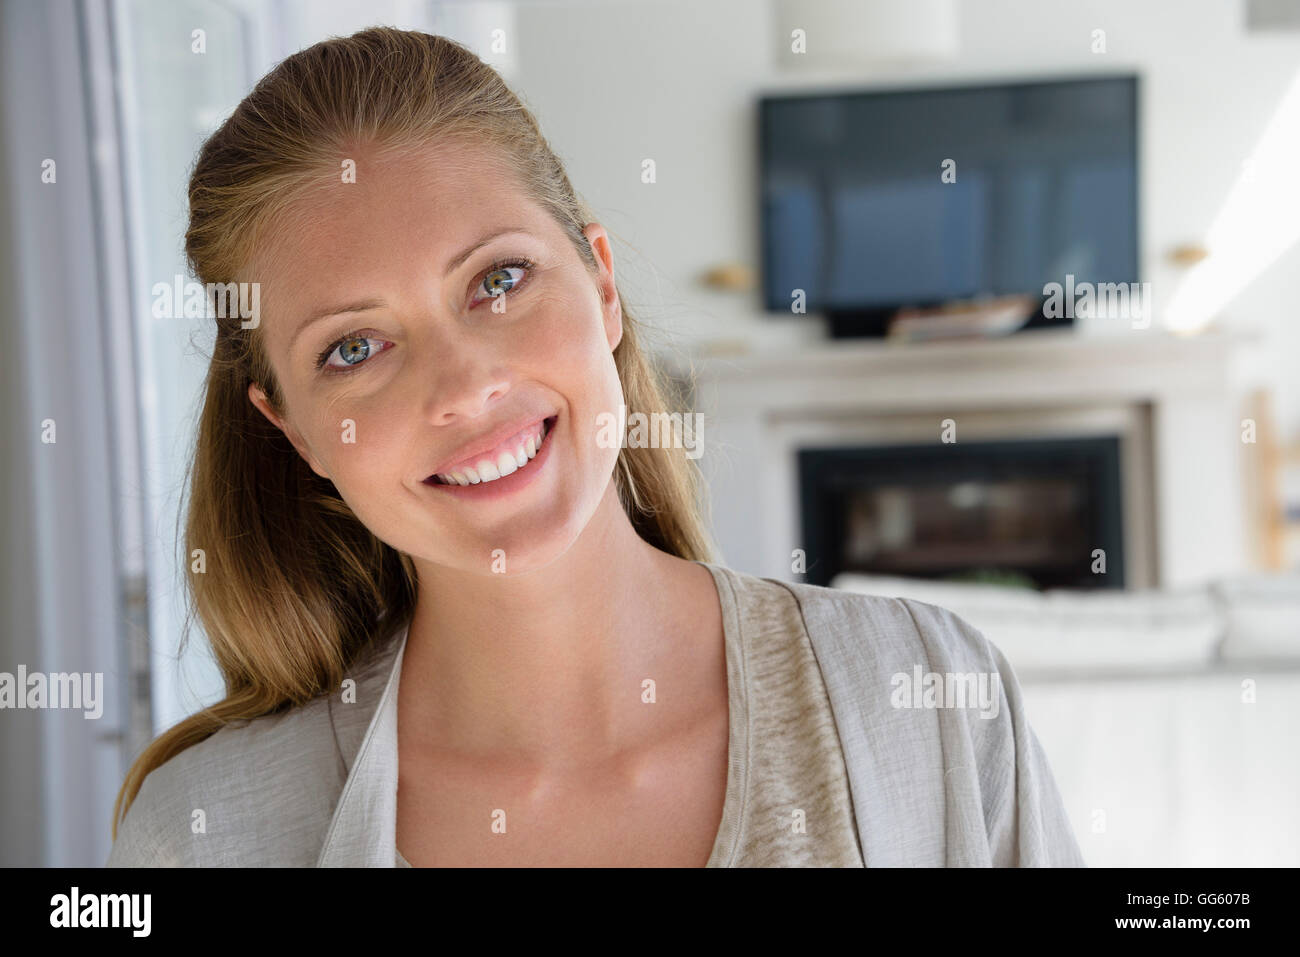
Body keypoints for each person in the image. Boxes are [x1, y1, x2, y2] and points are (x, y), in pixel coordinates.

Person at [107, 27, 1084, 868]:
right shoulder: (202, 836)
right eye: (353, 348)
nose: (462, 388)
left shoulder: (932, 698)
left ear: (602, 284)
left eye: (497, 280)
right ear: (294, 431)